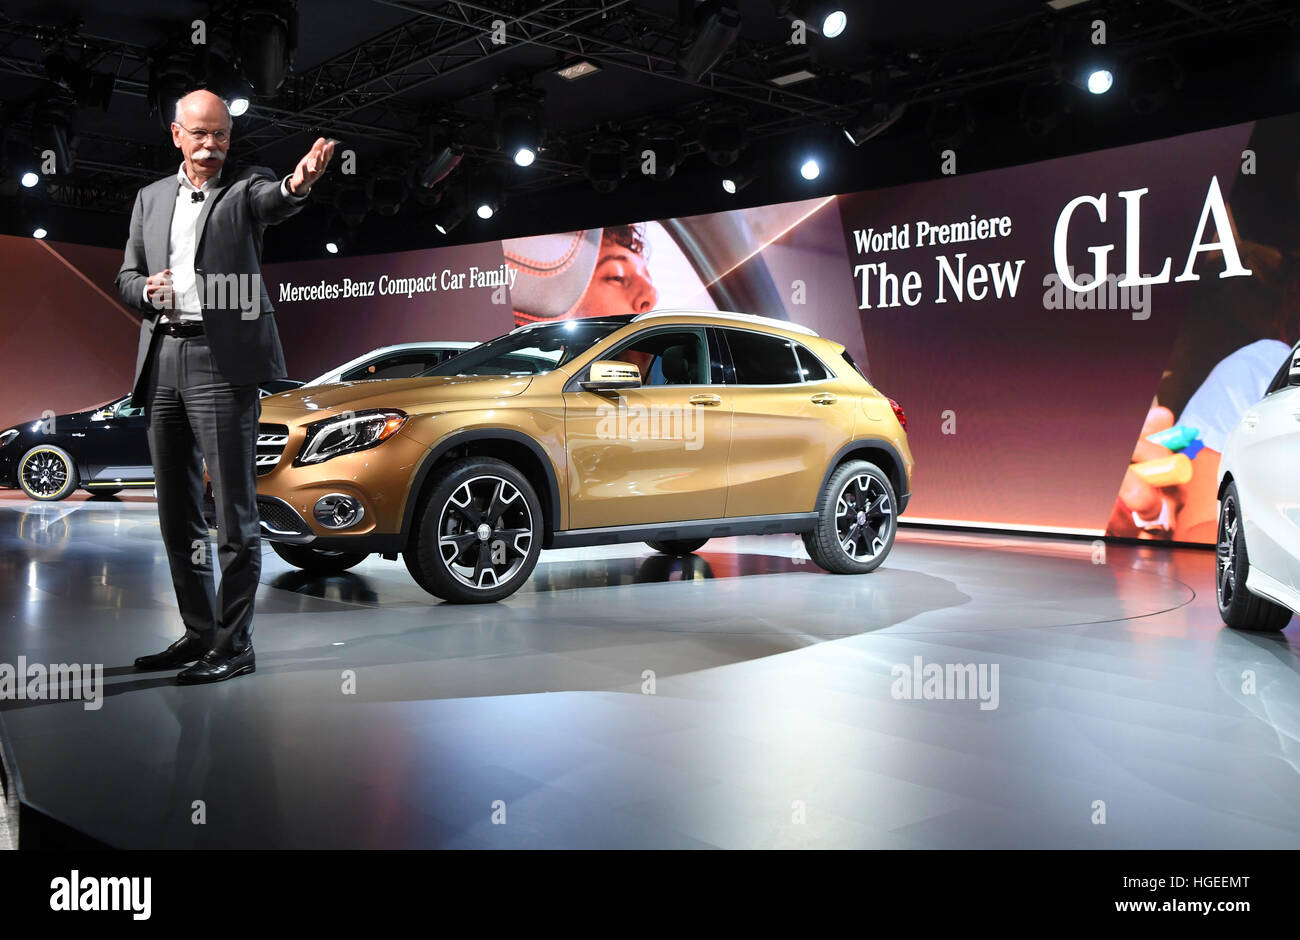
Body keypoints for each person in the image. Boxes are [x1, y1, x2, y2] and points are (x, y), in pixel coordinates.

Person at [115, 89, 335, 684]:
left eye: (221, 135)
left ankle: (235, 643)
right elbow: (127, 276)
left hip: (222, 360)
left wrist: (298, 185)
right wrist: (146, 292)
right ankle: (199, 632)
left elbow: (274, 202)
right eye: (200, 134)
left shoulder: (246, 187)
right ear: (176, 134)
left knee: (233, 512)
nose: (211, 146)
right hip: (163, 354)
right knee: (176, 510)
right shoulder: (149, 198)